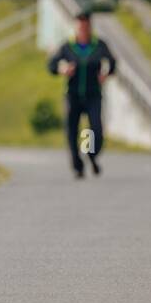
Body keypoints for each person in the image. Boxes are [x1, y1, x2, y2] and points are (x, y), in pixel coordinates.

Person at [46, 12, 116, 178]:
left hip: (93, 94)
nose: (83, 30)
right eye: (80, 27)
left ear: (89, 27)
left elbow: (112, 62)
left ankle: (92, 156)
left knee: (95, 129)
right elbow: (51, 64)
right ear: (76, 28)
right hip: (73, 95)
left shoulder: (99, 45)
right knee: (72, 130)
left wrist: (106, 74)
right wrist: (62, 69)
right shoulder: (67, 46)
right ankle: (77, 166)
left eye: (85, 27)